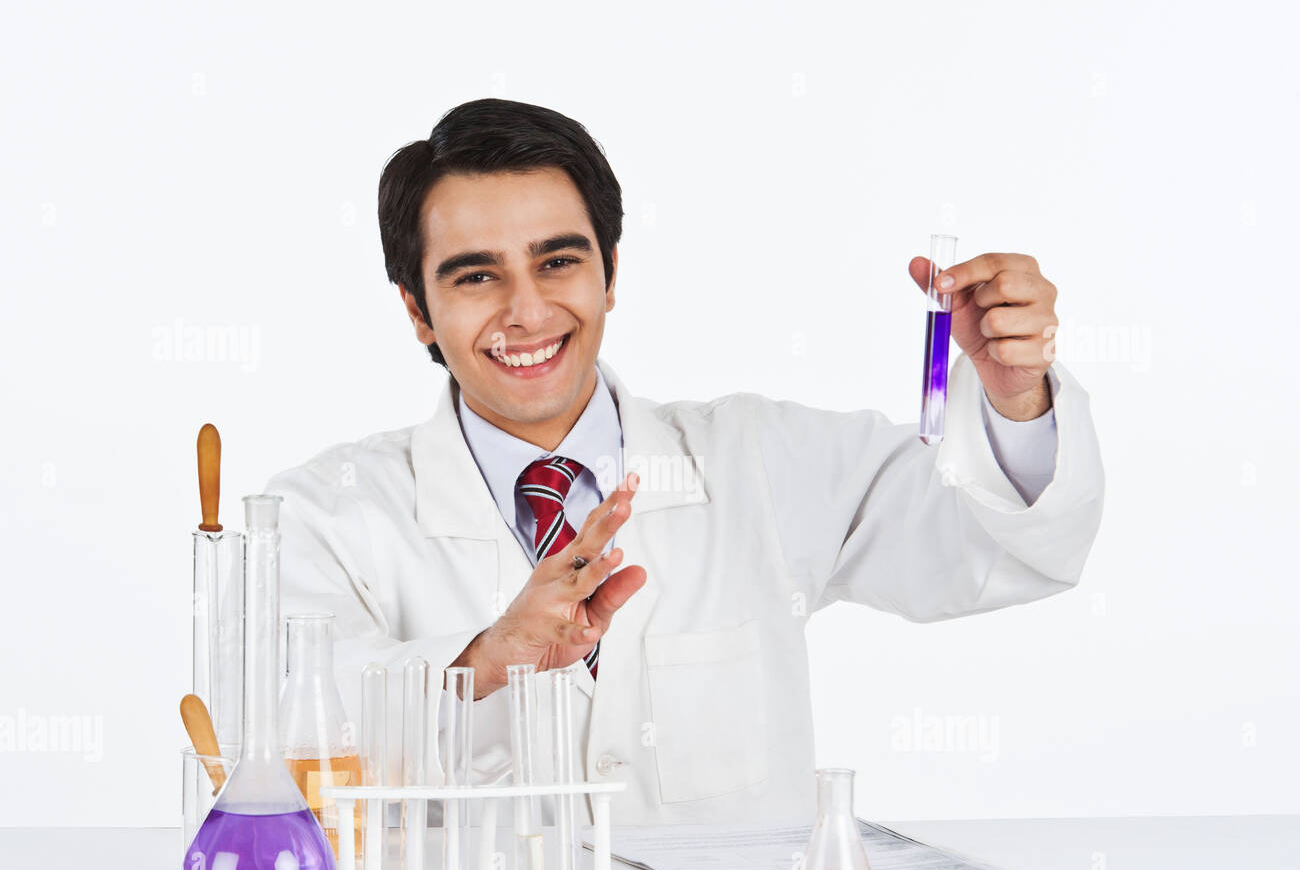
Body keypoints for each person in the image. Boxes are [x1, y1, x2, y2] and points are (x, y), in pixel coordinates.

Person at [265, 98, 1104, 825]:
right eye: (476, 276)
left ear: (612, 272)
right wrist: (486, 659)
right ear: (417, 309)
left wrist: (1015, 396)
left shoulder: (762, 462)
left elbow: (994, 549)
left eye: (559, 261)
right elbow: (286, 739)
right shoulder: (326, 516)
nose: (528, 312)